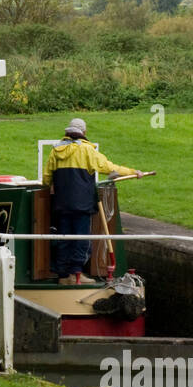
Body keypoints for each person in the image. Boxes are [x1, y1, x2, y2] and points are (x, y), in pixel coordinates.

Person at [42, 119, 143, 286]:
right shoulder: (87, 150)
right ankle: (76, 275)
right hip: (82, 205)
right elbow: (110, 168)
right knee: (82, 239)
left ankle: (62, 276)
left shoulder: (56, 151)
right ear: (84, 133)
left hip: (62, 204)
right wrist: (133, 172)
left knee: (64, 238)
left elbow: (46, 179)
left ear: (67, 132)